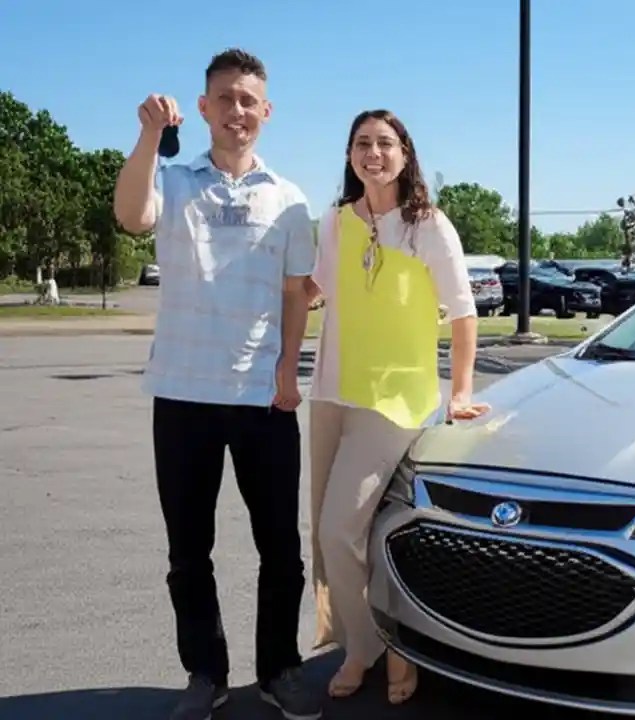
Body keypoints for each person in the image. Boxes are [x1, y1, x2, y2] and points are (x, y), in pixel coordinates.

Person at [112, 48, 323, 720]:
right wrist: (148, 133)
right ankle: (206, 673)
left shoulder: (289, 199)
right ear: (203, 109)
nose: (237, 110)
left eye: (248, 100)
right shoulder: (172, 181)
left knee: (281, 551)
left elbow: (296, 296)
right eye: (225, 98)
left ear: (266, 111)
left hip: (263, 398)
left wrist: (289, 368)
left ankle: (279, 670)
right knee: (188, 552)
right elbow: (131, 216)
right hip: (182, 394)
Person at [306, 109, 489, 704]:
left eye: (385, 143)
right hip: (332, 392)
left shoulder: (429, 225)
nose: (373, 153)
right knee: (329, 535)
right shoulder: (336, 223)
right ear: (350, 155)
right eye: (362, 143)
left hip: (394, 401)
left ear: (405, 155)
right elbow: (312, 288)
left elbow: (464, 313)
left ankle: (380, 648)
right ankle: (366, 644)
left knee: (341, 528)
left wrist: (460, 393)